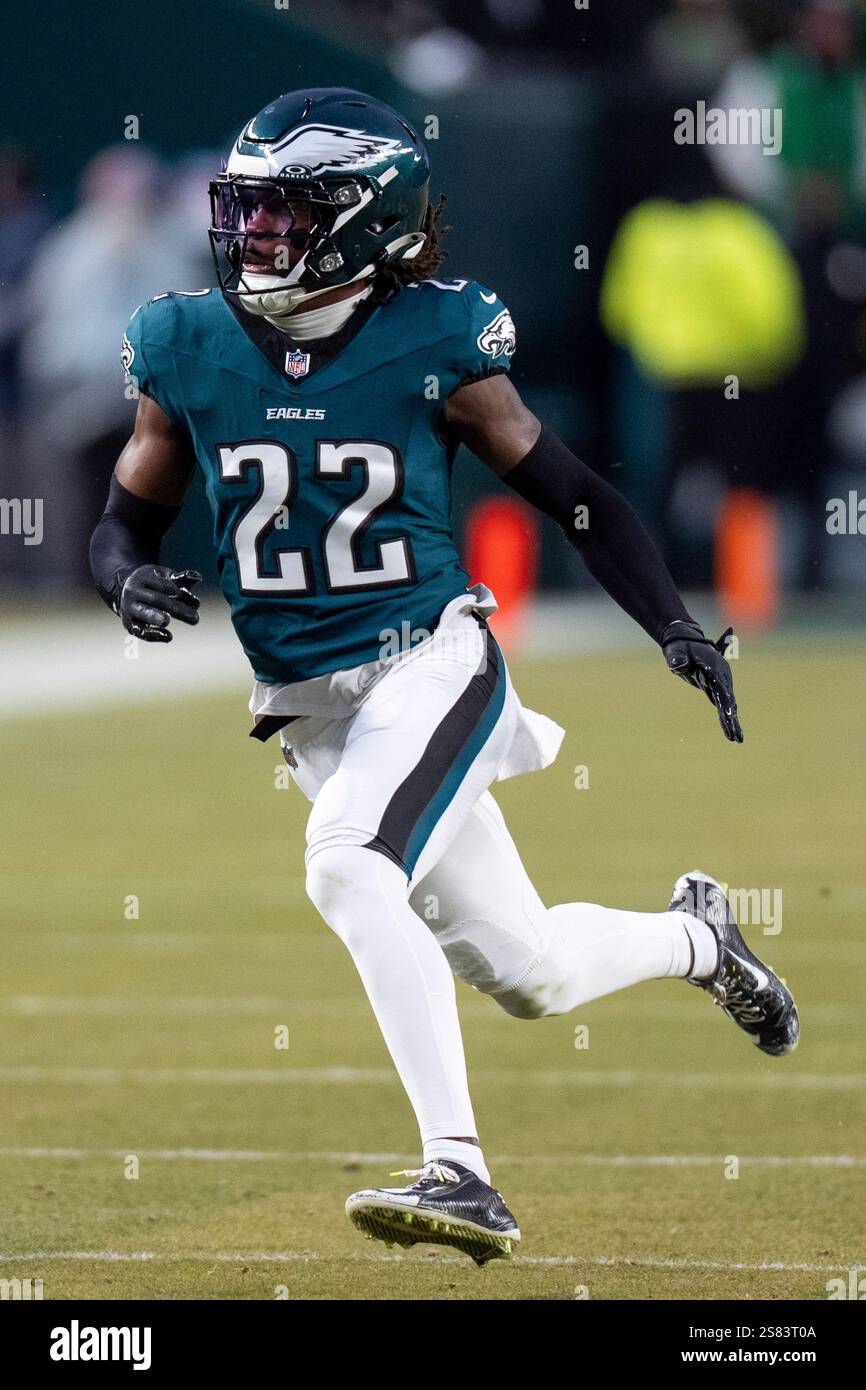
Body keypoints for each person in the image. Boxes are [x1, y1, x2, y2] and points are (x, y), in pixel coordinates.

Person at [89, 88, 798, 1266]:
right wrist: (122, 578)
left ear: (363, 219)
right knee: (529, 974)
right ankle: (698, 940)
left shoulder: (436, 337)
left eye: (284, 211)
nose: (254, 233)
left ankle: (460, 1170)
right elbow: (124, 517)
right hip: (316, 712)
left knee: (346, 868)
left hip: (429, 660)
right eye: (247, 209)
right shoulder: (184, 343)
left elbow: (574, 492)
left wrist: (673, 625)